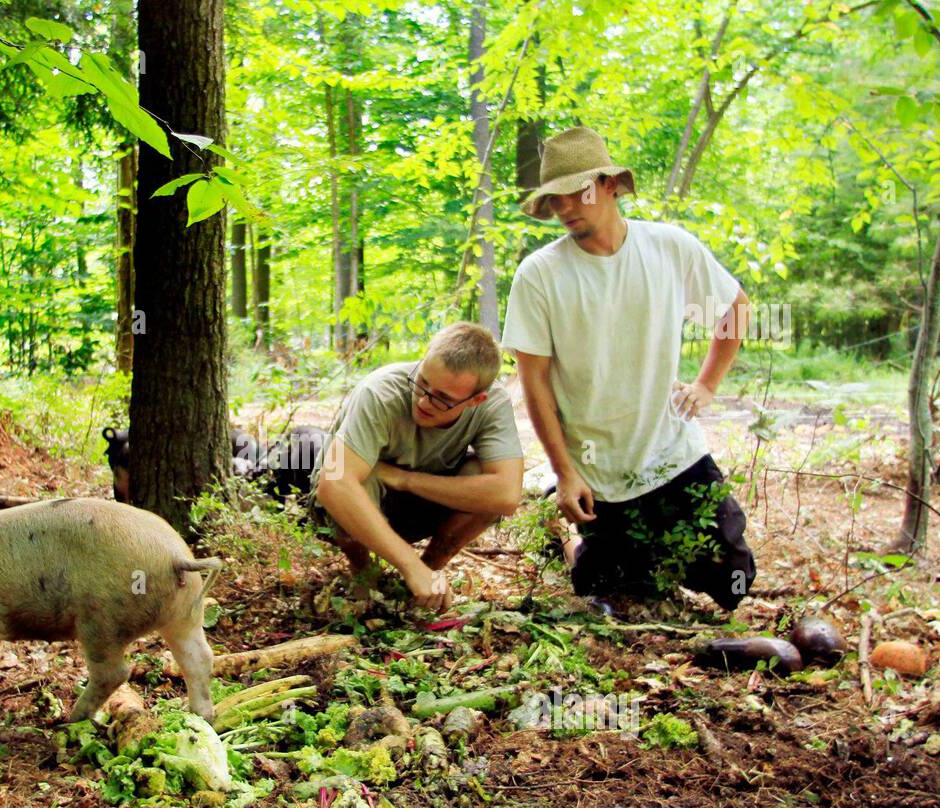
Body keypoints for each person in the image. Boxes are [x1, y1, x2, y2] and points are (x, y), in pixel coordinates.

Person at [503, 126, 756, 611]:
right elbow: (533, 381)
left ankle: (624, 539)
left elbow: (736, 309)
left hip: (671, 451)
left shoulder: (668, 248)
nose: (566, 208)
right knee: (611, 592)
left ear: (610, 185)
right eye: (553, 200)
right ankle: (565, 531)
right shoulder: (539, 275)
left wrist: (706, 384)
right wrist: (566, 470)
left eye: (577, 192)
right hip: (598, 468)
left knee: (734, 583)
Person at [310, 322, 524, 610]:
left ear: (476, 400)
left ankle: (428, 572)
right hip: (362, 505)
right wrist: (408, 564)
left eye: (442, 399)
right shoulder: (380, 392)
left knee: (484, 475)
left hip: (419, 500)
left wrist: (404, 479)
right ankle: (366, 576)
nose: (423, 401)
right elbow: (334, 484)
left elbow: (506, 495)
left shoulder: (494, 405)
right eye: (422, 382)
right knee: (354, 478)